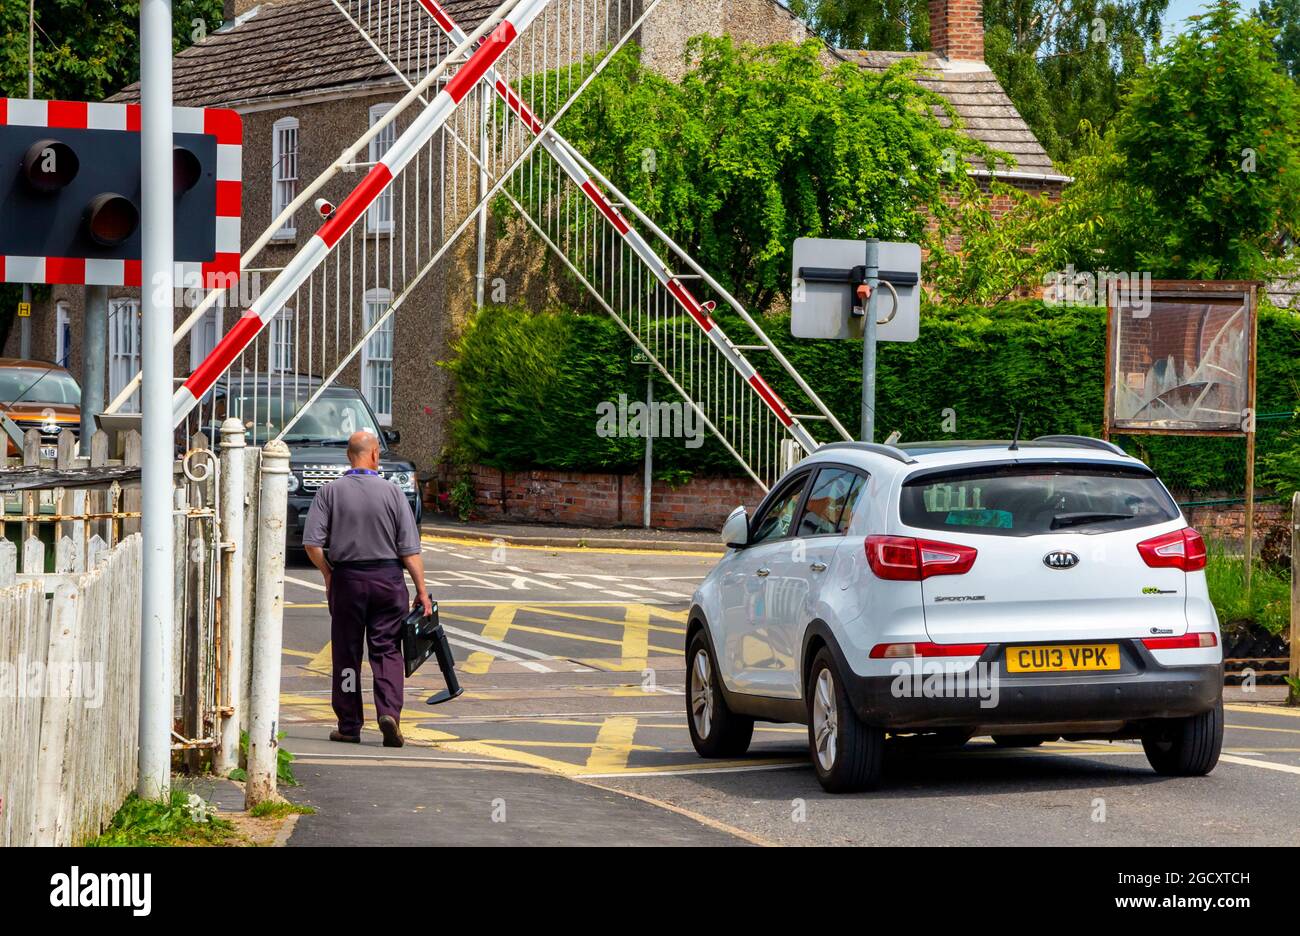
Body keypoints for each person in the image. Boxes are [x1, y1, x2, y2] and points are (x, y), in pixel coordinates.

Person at [302, 430, 432, 747]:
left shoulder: (329, 492)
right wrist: (422, 591)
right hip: (388, 580)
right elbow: (409, 551)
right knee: (387, 650)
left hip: (348, 579)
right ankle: (389, 715)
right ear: (375, 454)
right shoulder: (393, 493)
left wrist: (329, 573)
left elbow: (312, 544)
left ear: (349, 456)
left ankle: (349, 725)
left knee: (347, 654)